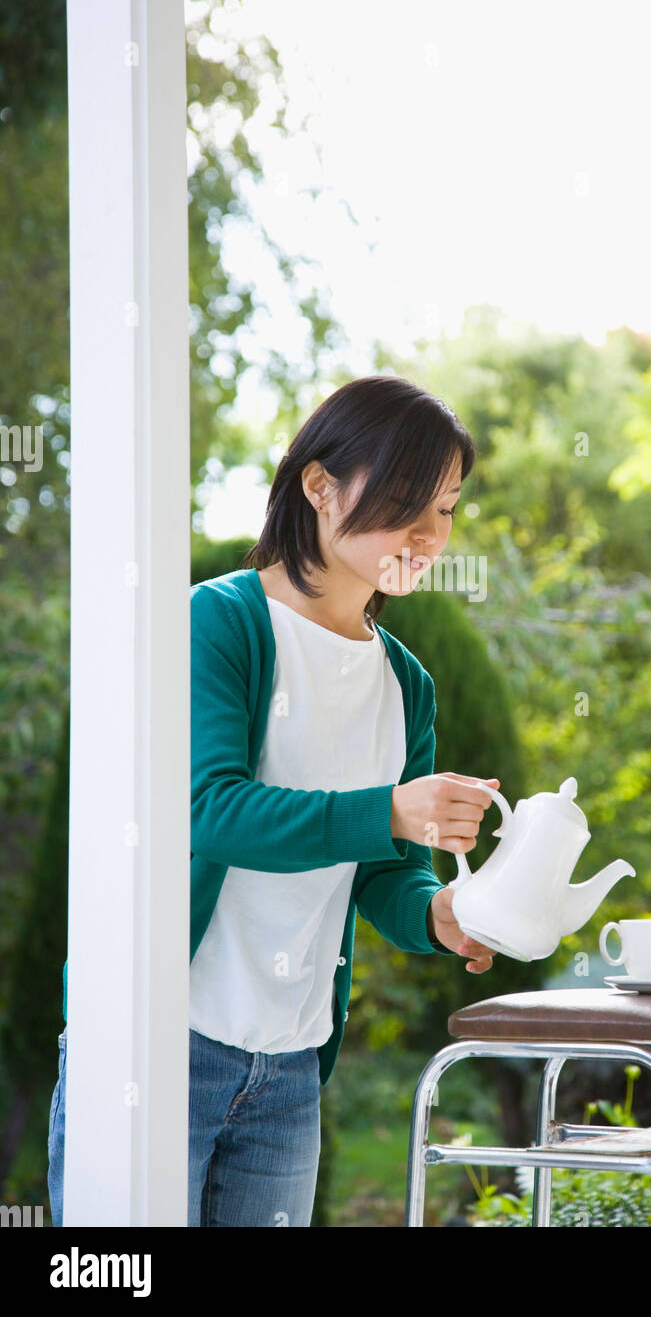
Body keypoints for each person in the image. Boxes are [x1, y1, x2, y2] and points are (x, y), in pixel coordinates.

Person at [48, 374, 499, 1228]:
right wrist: (391, 810)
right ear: (319, 486)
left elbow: (381, 875)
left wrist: (441, 913)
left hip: (289, 1069)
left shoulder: (409, 685)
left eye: (446, 505)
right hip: (157, 1042)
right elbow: (207, 810)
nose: (430, 532)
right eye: (407, 497)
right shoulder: (216, 623)